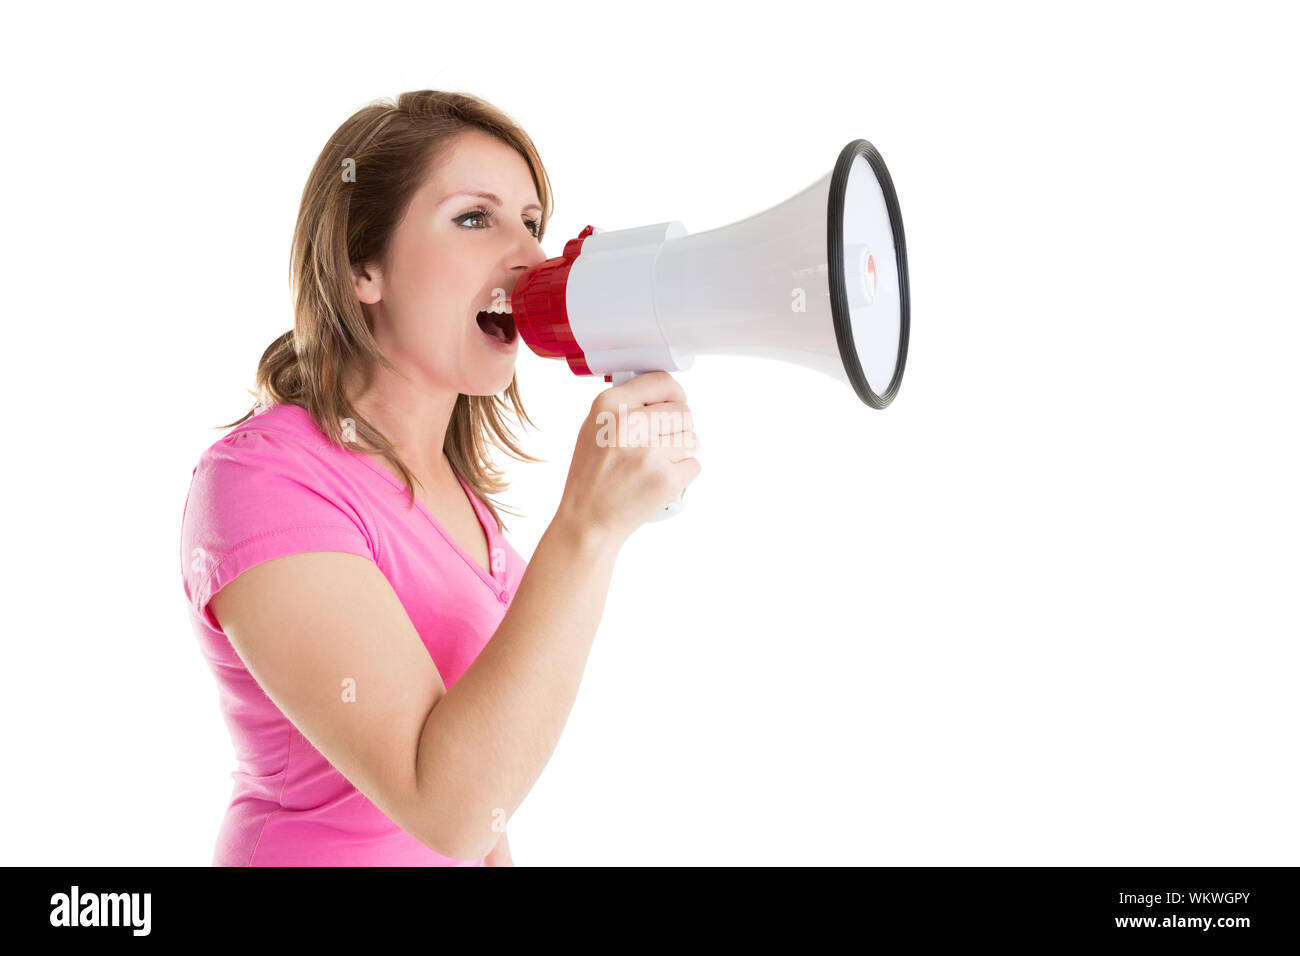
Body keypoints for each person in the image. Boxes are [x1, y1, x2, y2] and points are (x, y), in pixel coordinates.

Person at [178, 90, 701, 866]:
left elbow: (487, 809)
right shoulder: (264, 479)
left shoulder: (469, 511)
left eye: (531, 224)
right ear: (364, 267)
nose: (529, 256)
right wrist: (589, 528)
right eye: (473, 218)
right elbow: (445, 805)